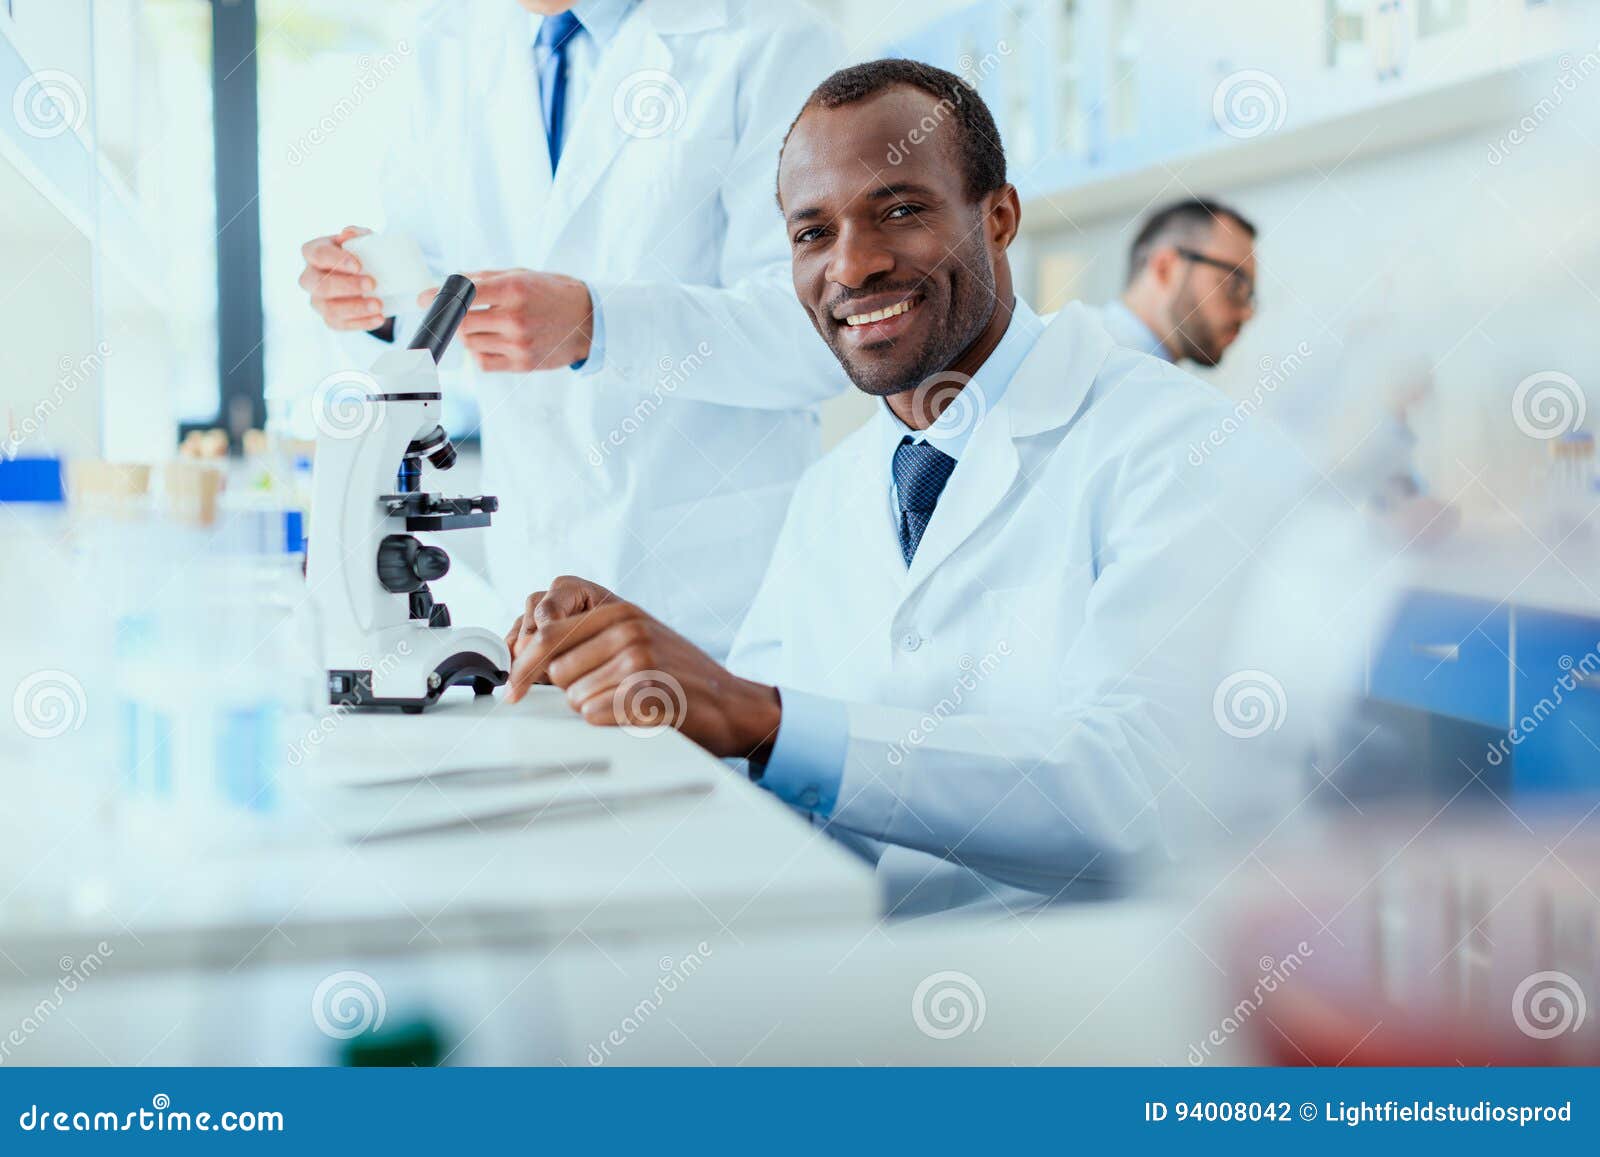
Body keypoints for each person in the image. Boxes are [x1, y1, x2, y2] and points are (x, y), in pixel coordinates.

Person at [500, 61, 1273, 911]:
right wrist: (623, 676)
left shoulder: (1175, 441)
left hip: (1086, 996)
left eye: (900, 211)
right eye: (811, 234)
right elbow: (757, 764)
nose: (853, 266)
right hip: (864, 972)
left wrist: (759, 714)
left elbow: (1141, 797)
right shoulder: (831, 492)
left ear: (1000, 217)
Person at [296, 1, 845, 657]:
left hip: (715, 600)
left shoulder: (774, 39)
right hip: (531, 585)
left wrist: (599, 326)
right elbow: (435, 286)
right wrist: (375, 304)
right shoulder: (453, 41)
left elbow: (817, 333)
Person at [1098, 198, 1257, 367]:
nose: (1248, 313)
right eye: (1235, 286)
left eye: (1249, 295)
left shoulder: (1153, 375)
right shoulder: (1082, 353)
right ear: (1164, 269)